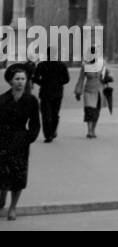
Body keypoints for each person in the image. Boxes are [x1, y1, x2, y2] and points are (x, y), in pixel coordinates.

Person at [0, 64, 41, 220]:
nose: (20, 82)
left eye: (23, 79)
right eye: (17, 79)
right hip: (3, 141)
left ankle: (12, 207)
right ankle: (2, 195)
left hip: (21, 142)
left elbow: (35, 123)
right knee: (2, 173)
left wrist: (29, 138)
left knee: (18, 176)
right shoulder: (2, 100)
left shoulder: (31, 100)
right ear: (11, 81)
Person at [32, 52, 69, 143]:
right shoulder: (61, 65)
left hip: (45, 92)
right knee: (55, 113)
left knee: (46, 114)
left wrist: (43, 83)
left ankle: (48, 135)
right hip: (57, 92)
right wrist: (59, 83)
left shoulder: (42, 65)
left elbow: (35, 78)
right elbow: (67, 79)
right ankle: (53, 131)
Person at [74, 55, 111, 139]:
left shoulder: (102, 63)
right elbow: (81, 79)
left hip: (99, 91)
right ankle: (89, 131)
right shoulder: (85, 65)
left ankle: (93, 129)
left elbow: (109, 75)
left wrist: (107, 77)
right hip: (89, 91)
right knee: (89, 111)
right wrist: (78, 92)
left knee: (96, 112)